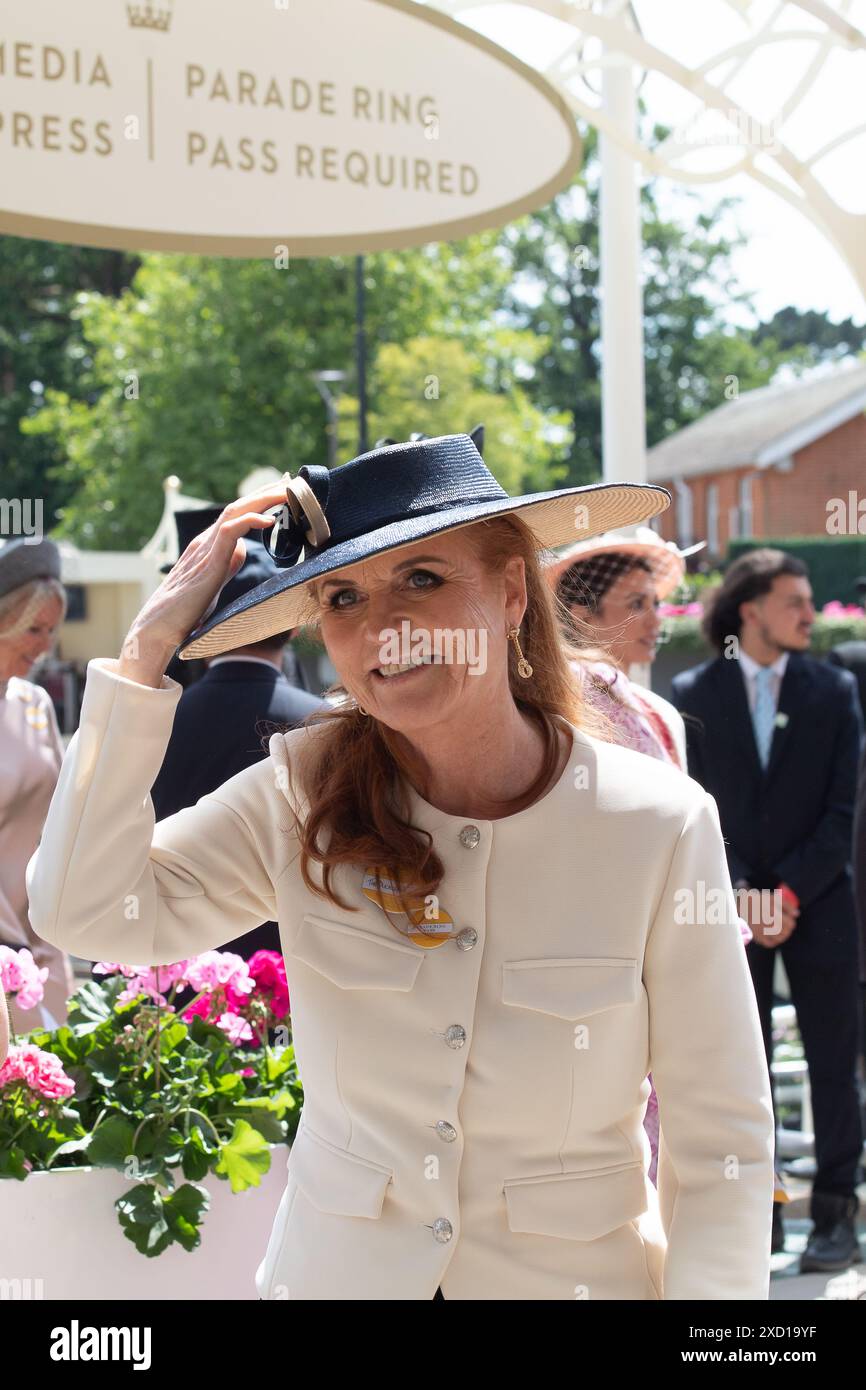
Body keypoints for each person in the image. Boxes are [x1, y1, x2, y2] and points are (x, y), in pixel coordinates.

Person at [27, 435, 774, 1300]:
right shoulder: (295, 796)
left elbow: (720, 1141)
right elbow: (83, 911)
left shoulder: (659, 824)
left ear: (507, 594)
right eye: (343, 597)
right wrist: (147, 653)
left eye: (423, 579)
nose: (383, 628)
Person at [671, 548, 865, 1274]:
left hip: (822, 903)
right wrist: (748, 892)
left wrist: (784, 895)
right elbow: (698, 814)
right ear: (750, 610)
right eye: (795, 602)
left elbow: (843, 809)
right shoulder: (695, 690)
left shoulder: (833, 687)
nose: (810, 615)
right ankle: (765, 1218)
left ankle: (835, 1219)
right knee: (739, 1070)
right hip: (731, 906)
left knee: (831, 1063)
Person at [151, 504, 328, 973]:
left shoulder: (155, 722)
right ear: (290, 626)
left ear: (199, 626)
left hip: (174, 967)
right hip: (294, 975)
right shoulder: (326, 725)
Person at [545, 527, 703, 769]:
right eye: (637, 604)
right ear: (582, 615)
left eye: (656, 603)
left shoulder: (653, 706)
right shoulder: (578, 689)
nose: (655, 620)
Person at [0, 538, 76, 1035]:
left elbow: (60, 818)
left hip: (44, 939)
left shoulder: (34, 704)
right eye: (33, 628)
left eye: (51, 630)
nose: (45, 645)